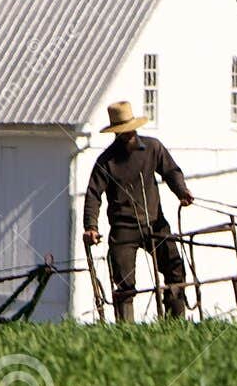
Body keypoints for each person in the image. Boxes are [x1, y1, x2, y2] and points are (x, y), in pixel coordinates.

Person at [83, 101, 195, 321]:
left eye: (131, 130)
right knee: (124, 283)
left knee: (175, 269)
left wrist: (181, 191)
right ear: (117, 134)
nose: (129, 135)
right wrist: (91, 227)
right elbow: (93, 194)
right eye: (124, 133)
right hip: (124, 229)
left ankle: (175, 323)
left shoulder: (153, 148)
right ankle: (126, 330)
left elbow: (171, 171)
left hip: (155, 223)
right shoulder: (106, 162)